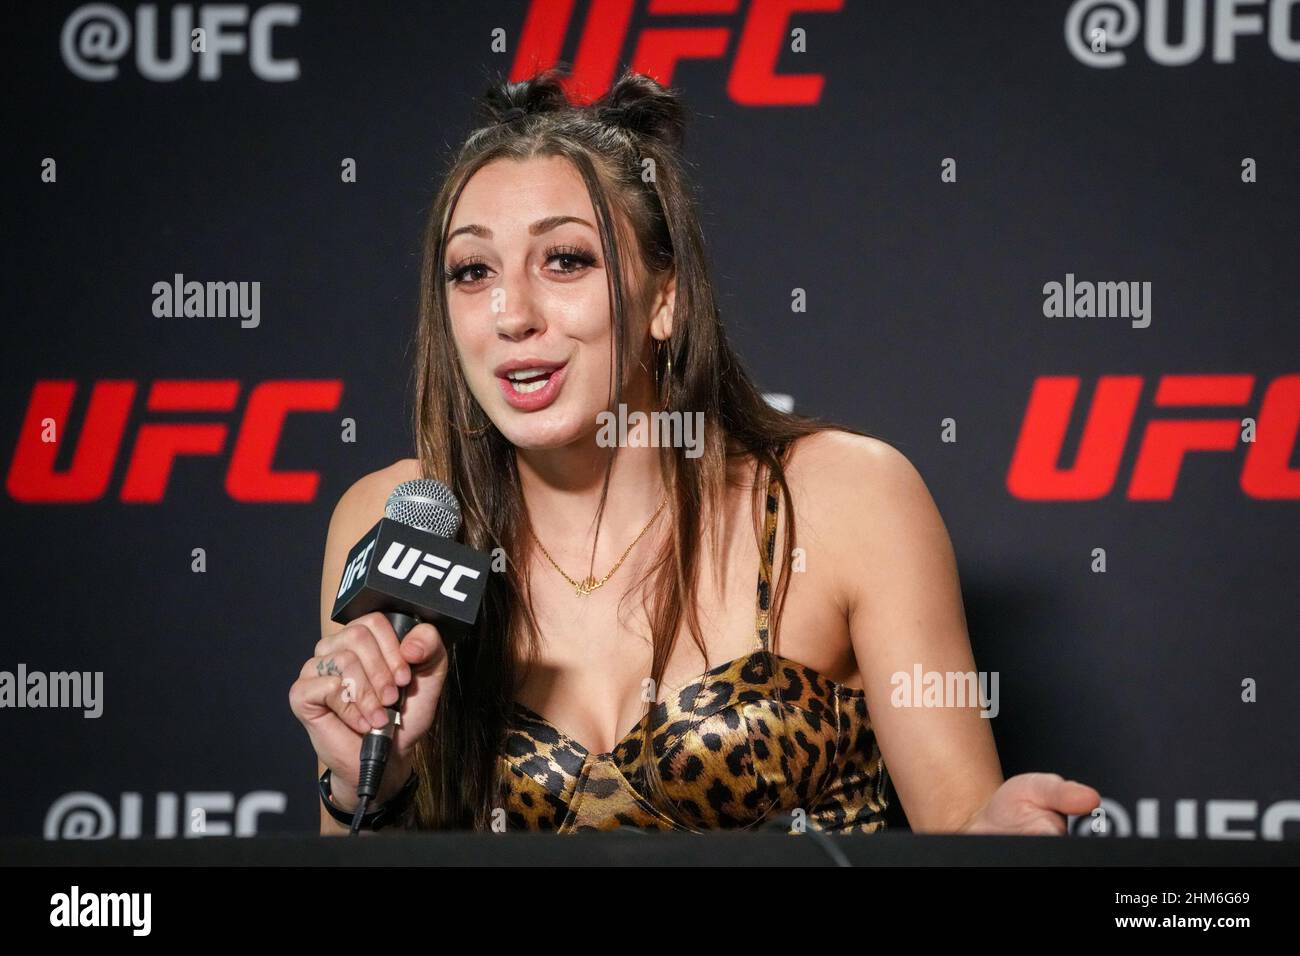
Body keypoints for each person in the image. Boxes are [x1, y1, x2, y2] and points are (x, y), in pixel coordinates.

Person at [289, 67, 1101, 836]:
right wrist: (371, 782)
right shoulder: (396, 523)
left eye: (565, 259)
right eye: (472, 271)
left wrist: (1000, 840)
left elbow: (961, 830)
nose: (512, 313)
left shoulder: (849, 499)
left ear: (665, 300)